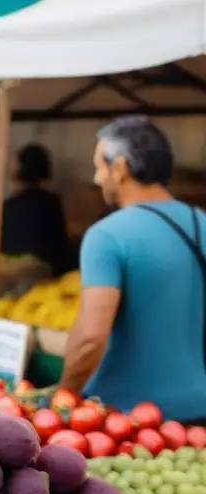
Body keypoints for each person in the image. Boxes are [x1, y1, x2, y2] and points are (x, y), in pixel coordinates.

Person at [61, 116, 206, 422]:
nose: (97, 178)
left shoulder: (107, 235)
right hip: (196, 410)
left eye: (100, 165)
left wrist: (64, 395)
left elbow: (90, 340)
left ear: (122, 167)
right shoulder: (201, 223)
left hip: (125, 417)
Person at [1, 144, 72, 275]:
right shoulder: (53, 201)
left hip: (18, 273)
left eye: (14, 163)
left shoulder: (10, 205)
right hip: (51, 272)